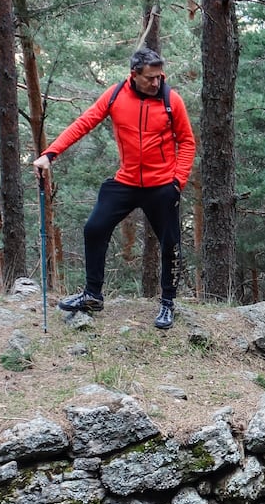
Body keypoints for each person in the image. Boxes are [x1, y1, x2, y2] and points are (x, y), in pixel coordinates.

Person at [33, 47, 196, 329]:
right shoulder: (115, 95)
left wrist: (177, 182)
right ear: (134, 75)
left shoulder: (172, 101)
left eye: (159, 77)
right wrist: (50, 153)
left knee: (171, 243)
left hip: (162, 185)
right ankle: (92, 295)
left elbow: (187, 142)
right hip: (127, 181)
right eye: (150, 78)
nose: (156, 82)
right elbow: (83, 123)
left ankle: (168, 303)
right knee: (94, 228)